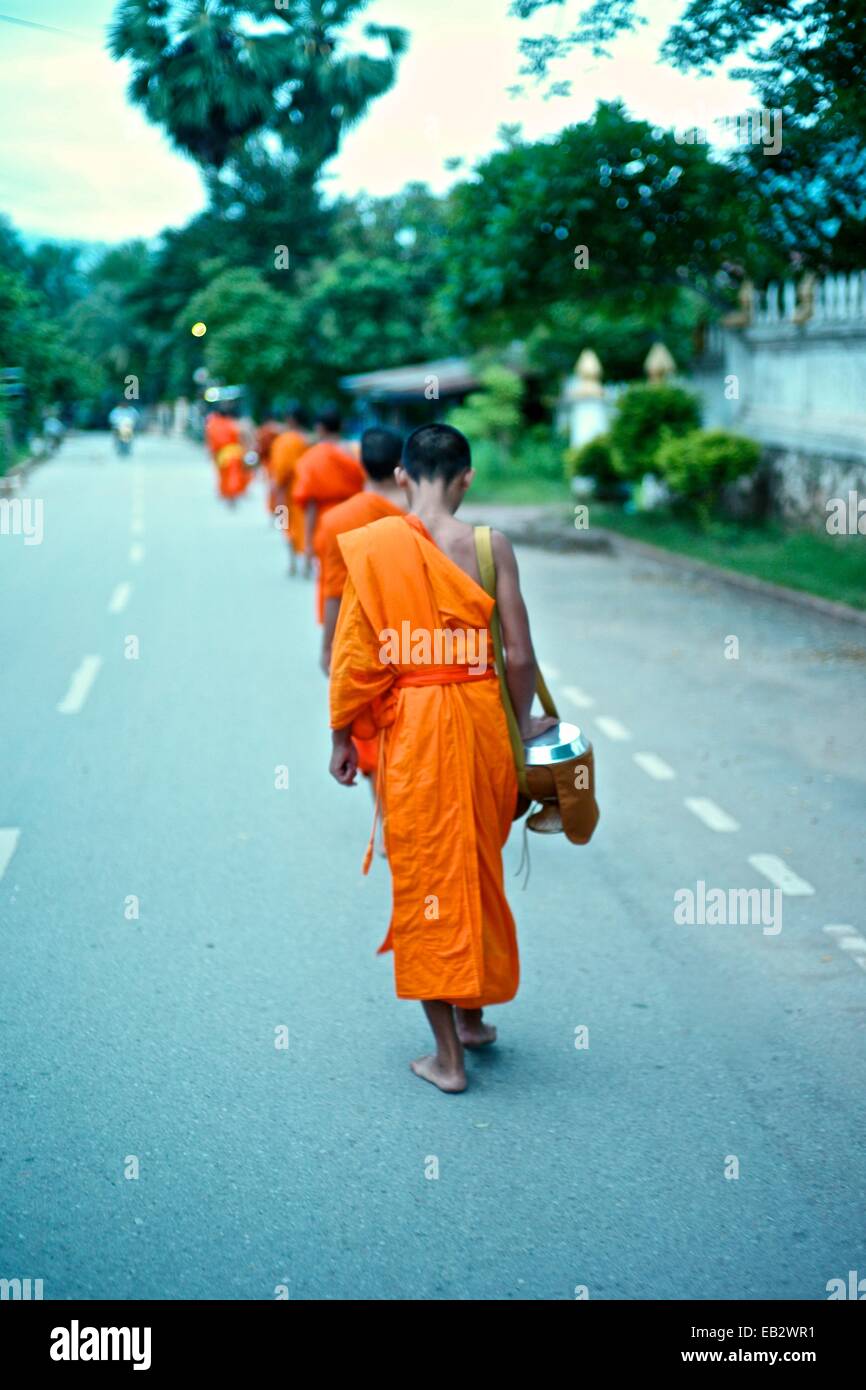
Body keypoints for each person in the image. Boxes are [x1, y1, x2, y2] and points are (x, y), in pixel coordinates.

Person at [328, 423, 556, 1094]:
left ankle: (448, 1058)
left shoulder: (375, 550)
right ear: (467, 478)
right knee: (475, 864)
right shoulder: (491, 546)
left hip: (419, 730)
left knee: (430, 877)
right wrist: (520, 727)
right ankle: (474, 1017)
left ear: (400, 476)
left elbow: (357, 661)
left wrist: (343, 736)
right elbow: (518, 654)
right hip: (482, 718)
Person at [319, 426, 405, 677]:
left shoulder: (336, 520)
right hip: (415, 636)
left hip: (360, 637)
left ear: (361, 463)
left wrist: (327, 647)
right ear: (401, 462)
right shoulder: (421, 514)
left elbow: (334, 591)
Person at [291, 407, 365, 617]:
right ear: (341, 426)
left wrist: (306, 546)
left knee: (332, 584)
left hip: (327, 523)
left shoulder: (313, 457)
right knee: (358, 580)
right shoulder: (354, 452)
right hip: (358, 519)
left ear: (319, 428)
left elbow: (311, 504)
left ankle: (334, 637)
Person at [269, 408, 311, 574]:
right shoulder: (308, 439)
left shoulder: (284, 440)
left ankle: (292, 563)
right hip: (306, 490)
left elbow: (280, 469)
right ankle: (307, 563)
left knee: (285, 525)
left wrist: (276, 485)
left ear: (290, 419)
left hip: (285, 492)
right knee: (306, 526)